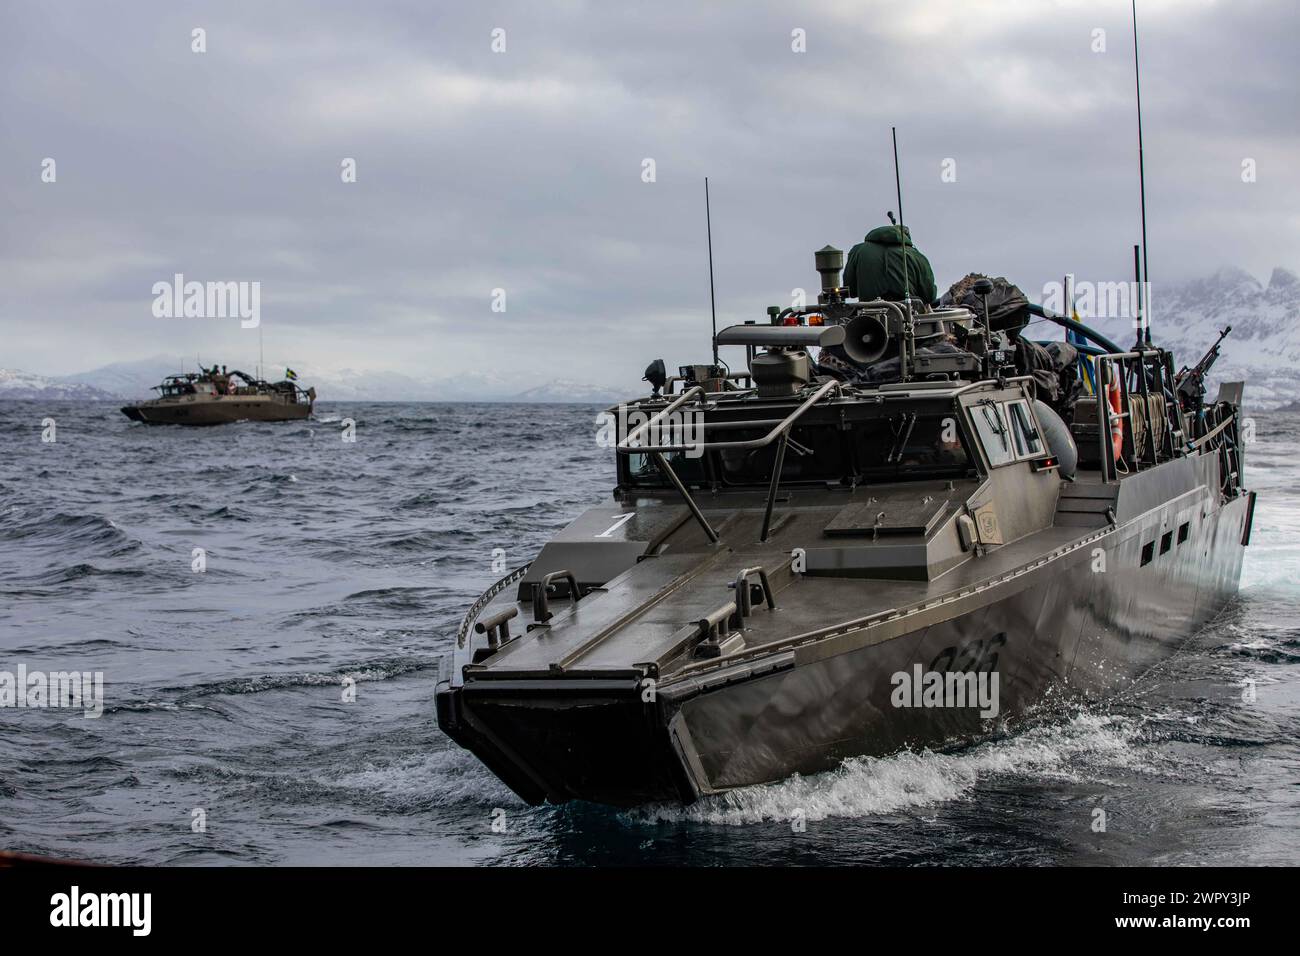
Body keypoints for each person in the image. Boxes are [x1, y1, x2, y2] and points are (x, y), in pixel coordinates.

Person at [843, 224, 937, 305]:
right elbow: (929, 296)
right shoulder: (916, 256)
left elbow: (850, 290)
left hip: (868, 318)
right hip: (909, 317)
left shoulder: (858, 251)